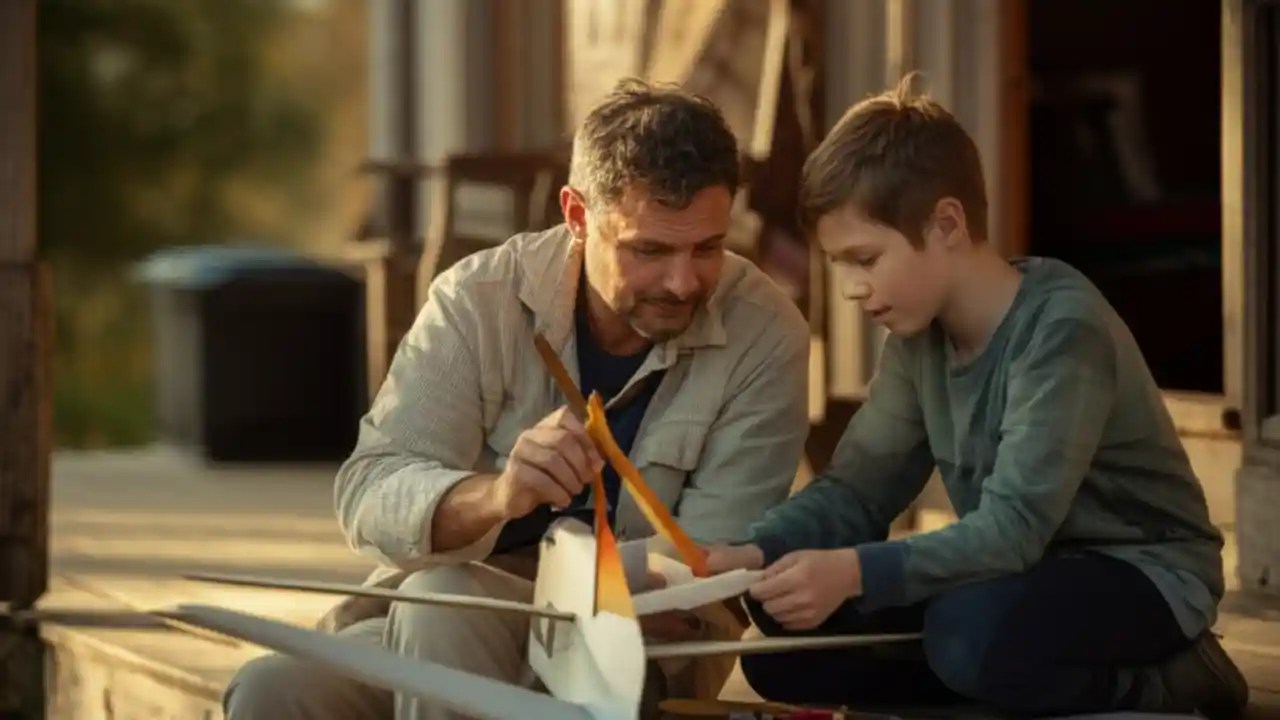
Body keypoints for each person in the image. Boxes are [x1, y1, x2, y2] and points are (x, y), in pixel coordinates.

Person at [221, 78, 811, 720]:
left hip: (630, 644)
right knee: (271, 691)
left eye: (708, 248)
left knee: (444, 605)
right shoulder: (479, 297)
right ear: (578, 216)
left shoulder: (766, 332)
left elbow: (713, 553)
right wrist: (496, 495)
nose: (682, 281)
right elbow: (369, 490)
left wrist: (567, 580)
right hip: (441, 616)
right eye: (650, 250)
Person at [704, 75, 1250, 720]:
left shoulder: (1061, 329)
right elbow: (857, 489)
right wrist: (754, 554)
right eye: (839, 265)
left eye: (865, 259)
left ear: (947, 224)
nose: (850, 288)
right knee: (781, 638)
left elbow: (1014, 528)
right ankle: (992, 685)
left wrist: (854, 571)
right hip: (1014, 578)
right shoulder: (916, 336)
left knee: (968, 632)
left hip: (1139, 573)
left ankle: (1167, 681)